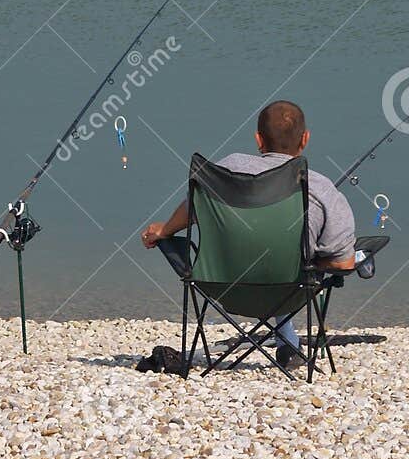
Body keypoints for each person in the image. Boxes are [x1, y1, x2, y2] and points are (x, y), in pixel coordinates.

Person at [140, 99, 356, 370]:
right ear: (305, 139)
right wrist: (313, 263)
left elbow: (195, 202)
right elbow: (342, 263)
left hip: (222, 289)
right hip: (292, 289)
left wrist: (165, 229)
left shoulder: (225, 170)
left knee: (267, 252)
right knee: (299, 258)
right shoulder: (321, 188)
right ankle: (287, 342)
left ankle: (286, 340)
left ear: (258, 139)